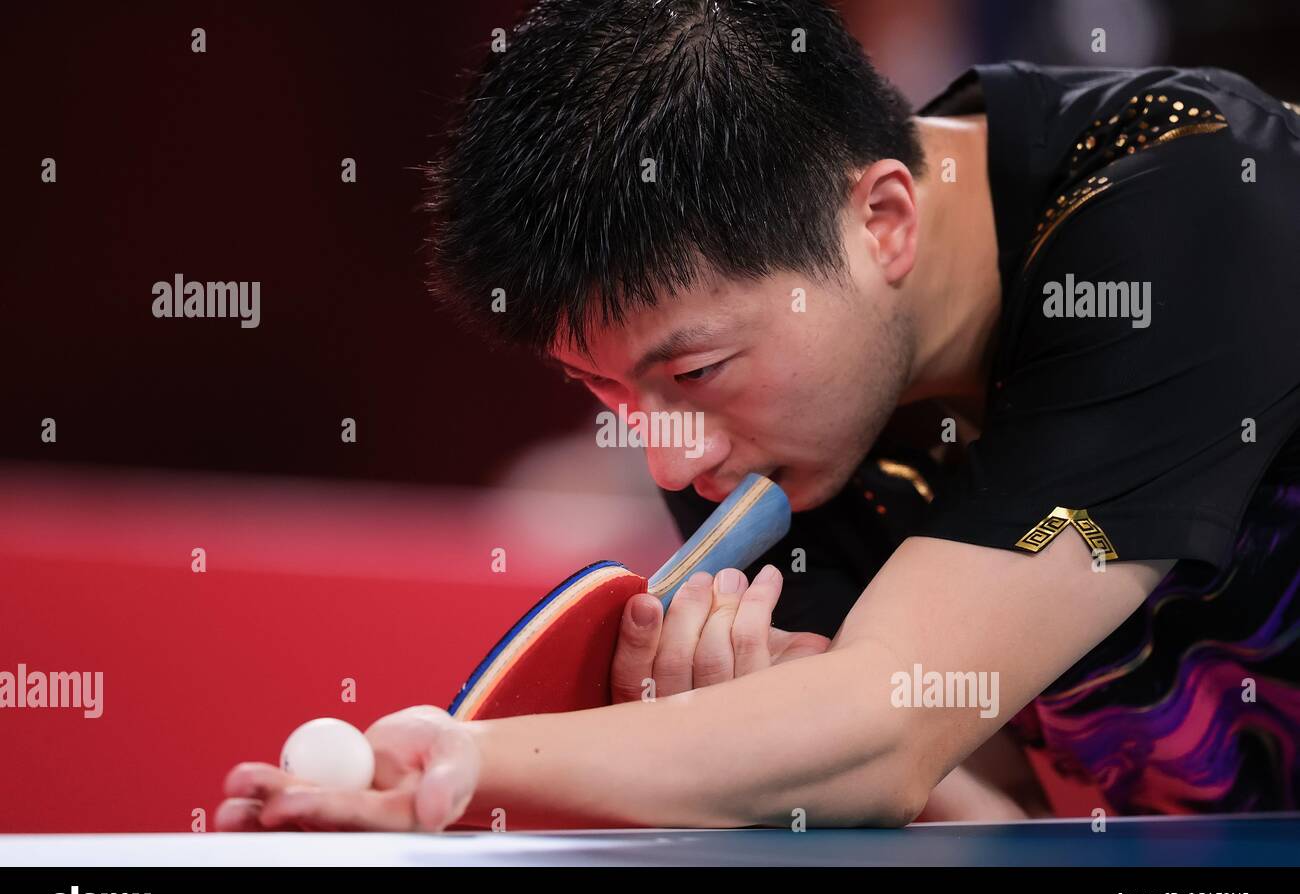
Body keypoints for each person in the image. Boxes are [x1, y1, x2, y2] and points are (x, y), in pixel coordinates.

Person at [219, 0, 1300, 831]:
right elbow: (996, 812)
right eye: (603, 392)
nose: (672, 459)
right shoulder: (768, 421)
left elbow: (883, 721)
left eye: (688, 374)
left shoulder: (1196, 206)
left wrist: (456, 765)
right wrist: (760, 745)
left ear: (881, 219)